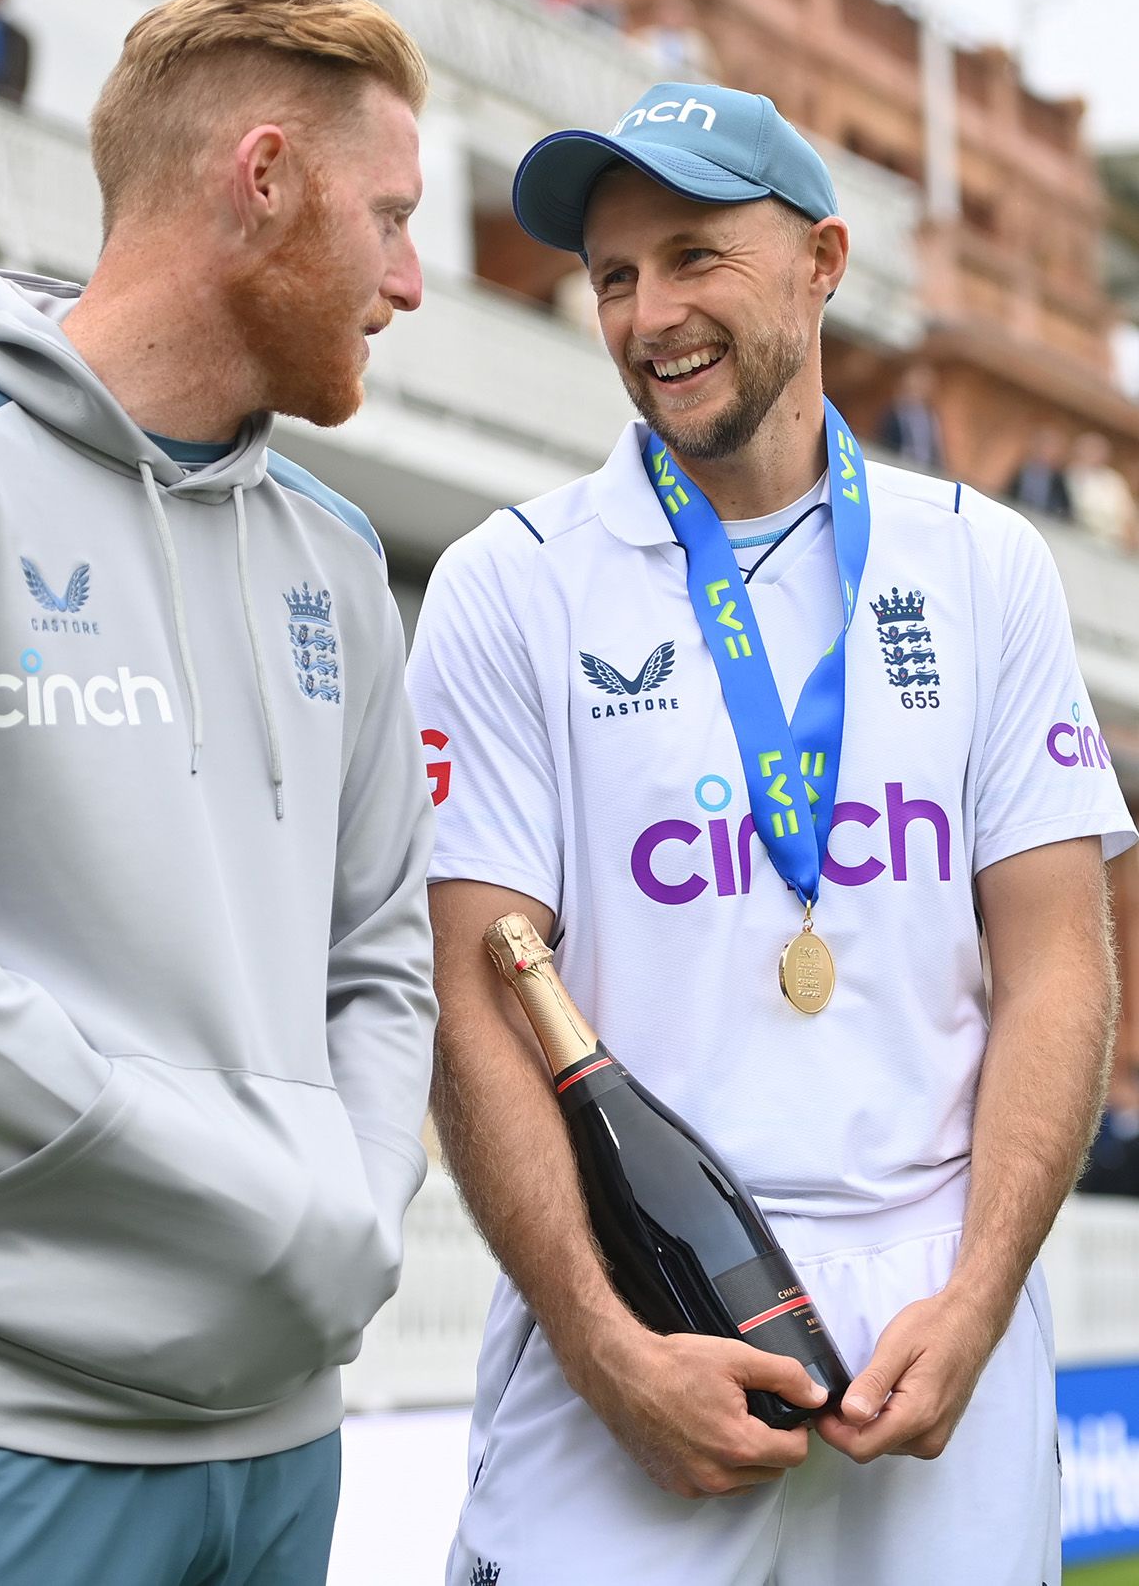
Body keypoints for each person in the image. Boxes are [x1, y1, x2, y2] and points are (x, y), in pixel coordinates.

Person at [0, 0, 436, 1586]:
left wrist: (353, 1202)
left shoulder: (337, 562)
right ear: (261, 180)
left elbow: (382, 956)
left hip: (278, 1450)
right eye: (387, 218)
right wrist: (252, 1199)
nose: (408, 278)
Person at [407, 79, 1134, 1584]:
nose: (647, 311)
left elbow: (1062, 961)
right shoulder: (511, 583)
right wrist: (607, 1348)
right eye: (612, 275)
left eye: (693, 255)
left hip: (940, 1327)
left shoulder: (983, 564)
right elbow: (472, 1007)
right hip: (640, 1313)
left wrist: (986, 1292)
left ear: (823, 260)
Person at [1066, 430, 1139, 552]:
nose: (1094, 456)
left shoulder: (1113, 479)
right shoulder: (1071, 475)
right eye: (1090, 451)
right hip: (1082, 540)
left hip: (1117, 546)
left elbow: (1127, 513)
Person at [875, 360, 946, 474]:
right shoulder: (895, 411)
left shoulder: (930, 416)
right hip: (896, 467)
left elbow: (935, 450)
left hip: (922, 472)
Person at [1008, 423, 1073, 519]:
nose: (1047, 453)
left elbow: (1064, 508)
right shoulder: (1023, 470)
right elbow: (1009, 494)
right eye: (1044, 447)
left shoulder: (1058, 479)